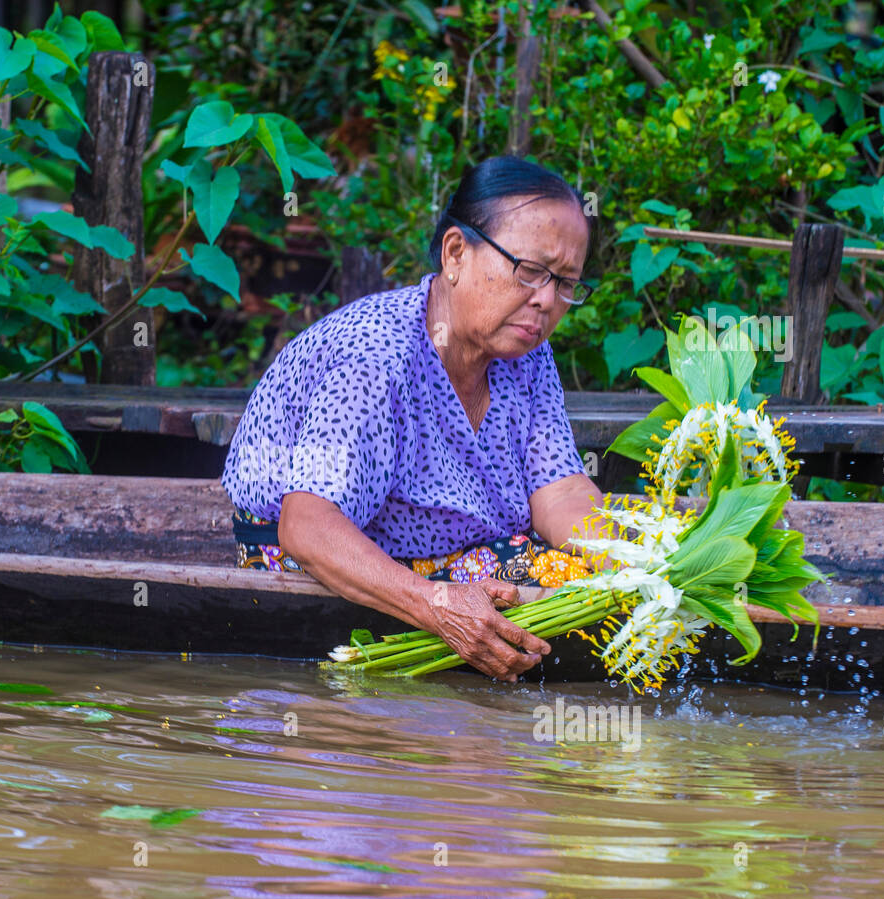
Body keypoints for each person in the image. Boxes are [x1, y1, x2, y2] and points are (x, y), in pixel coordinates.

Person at [222, 155, 604, 681]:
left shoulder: (526, 355)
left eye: (565, 284)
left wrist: (633, 560)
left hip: (452, 556)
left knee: (602, 571)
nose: (545, 301)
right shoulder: (377, 355)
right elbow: (307, 527)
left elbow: (560, 492)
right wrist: (437, 605)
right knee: (549, 578)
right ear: (456, 253)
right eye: (531, 271)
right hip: (328, 559)